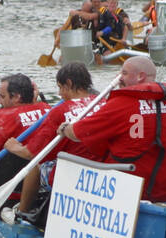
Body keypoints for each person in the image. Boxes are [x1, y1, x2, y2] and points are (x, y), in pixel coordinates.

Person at [57, 56, 166, 203]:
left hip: (130, 185)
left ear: (140, 76)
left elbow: (78, 133)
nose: (118, 78)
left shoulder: (122, 103)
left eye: (124, 73)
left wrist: (65, 128)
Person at [8, 62, 101, 226]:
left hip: (71, 171)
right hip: (100, 166)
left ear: (69, 84)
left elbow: (33, 152)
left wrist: (13, 147)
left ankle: (22, 213)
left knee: (36, 165)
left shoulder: (59, 111)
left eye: (60, 87)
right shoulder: (103, 102)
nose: (59, 93)